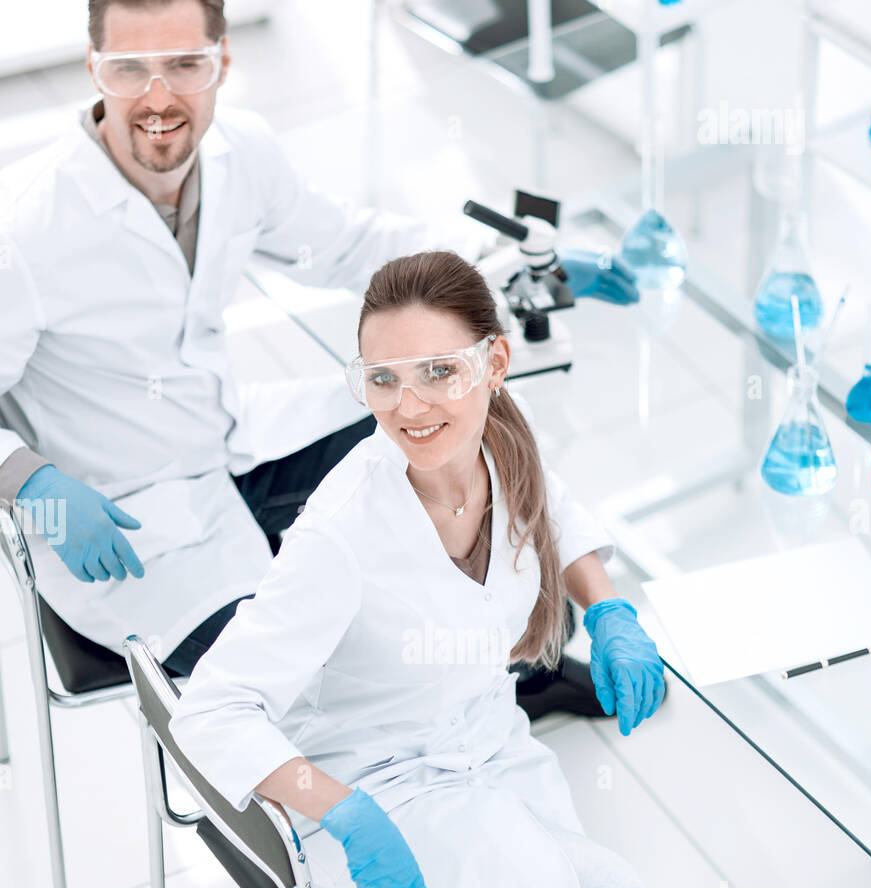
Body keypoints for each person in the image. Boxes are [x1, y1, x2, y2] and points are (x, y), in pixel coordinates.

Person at [168, 250, 871, 888]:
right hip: (386, 804)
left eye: (438, 373)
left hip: (488, 757)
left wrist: (612, 606)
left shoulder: (505, 437)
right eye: (380, 379)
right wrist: (337, 807)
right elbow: (214, 708)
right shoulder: (342, 532)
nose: (410, 407)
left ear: (494, 363)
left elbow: (562, 514)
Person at [0, 0, 638, 720]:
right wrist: (31, 481)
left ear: (222, 64)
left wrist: (520, 266)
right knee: (327, 690)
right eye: (128, 70)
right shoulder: (26, 225)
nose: (157, 98)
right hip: (130, 526)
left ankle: (519, 664)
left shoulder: (241, 155)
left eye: (185, 65)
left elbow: (352, 248)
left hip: (234, 445)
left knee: (455, 418)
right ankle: (459, 698)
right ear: (94, 71)